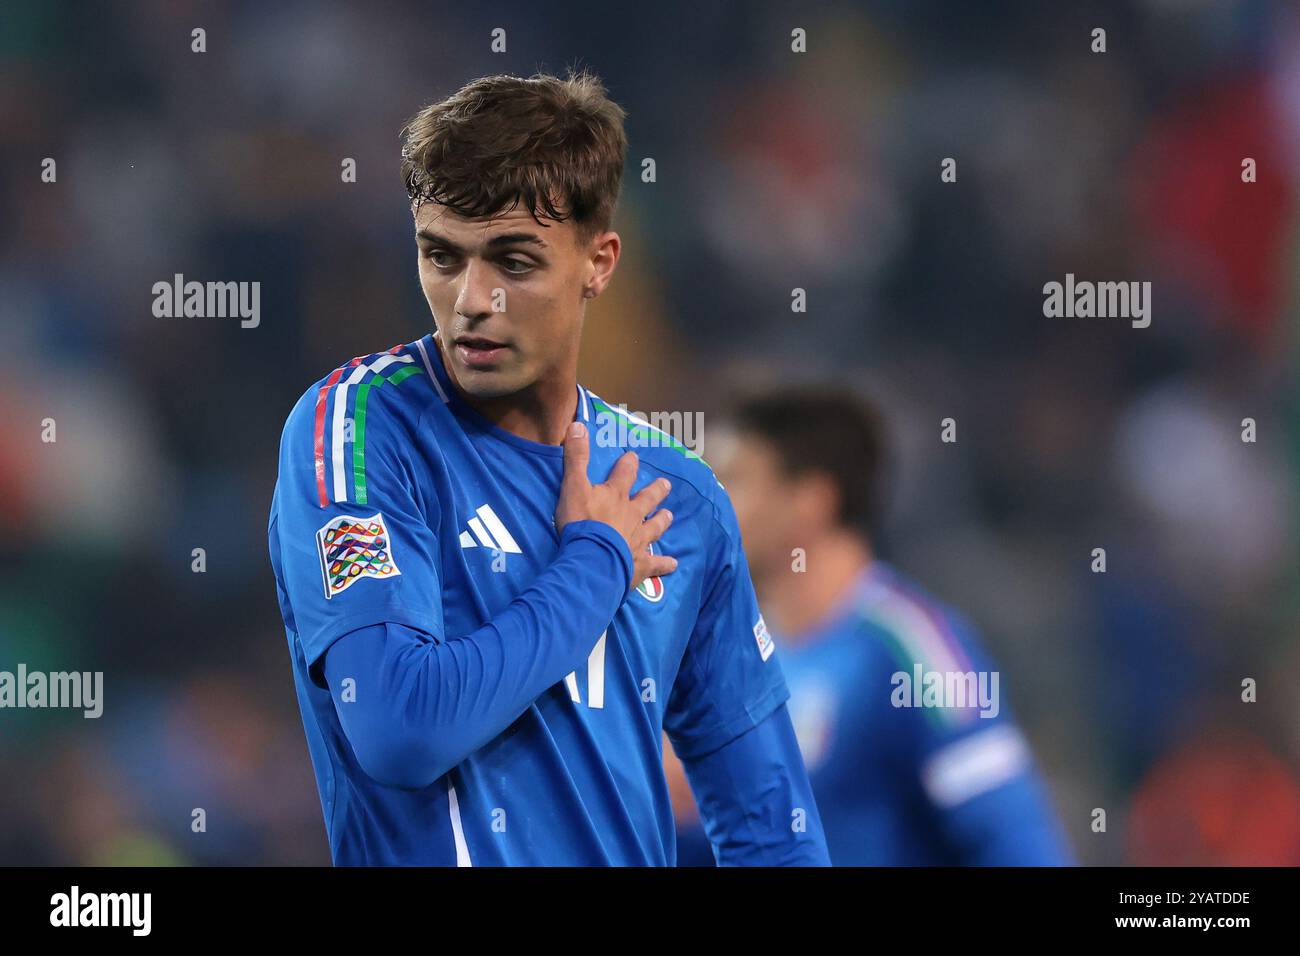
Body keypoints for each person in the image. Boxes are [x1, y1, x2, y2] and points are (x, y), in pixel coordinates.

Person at [267, 70, 828, 866]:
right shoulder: (359, 430)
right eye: (442, 256)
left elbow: (773, 824)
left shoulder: (677, 493)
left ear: (599, 262)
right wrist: (595, 562)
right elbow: (400, 729)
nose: (472, 300)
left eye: (514, 262)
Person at [667, 388, 1073, 865]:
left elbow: (1014, 842)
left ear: (810, 503)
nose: (703, 501)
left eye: (731, 479)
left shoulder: (908, 647)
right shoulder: (723, 656)